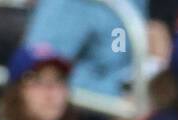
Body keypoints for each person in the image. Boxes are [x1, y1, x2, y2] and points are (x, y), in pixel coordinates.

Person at [21, 0, 149, 99]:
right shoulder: (70, 5)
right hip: (87, 117)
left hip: (134, 95)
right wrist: (117, 93)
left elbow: (118, 53)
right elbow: (39, 70)